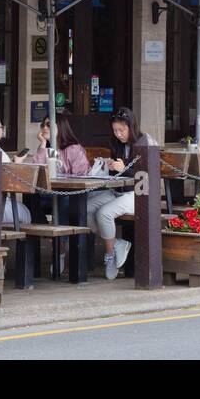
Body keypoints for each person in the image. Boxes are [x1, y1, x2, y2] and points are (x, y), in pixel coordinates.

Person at [85, 107, 139, 279]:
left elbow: (144, 176)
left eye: (121, 130)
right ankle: (116, 244)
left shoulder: (143, 144)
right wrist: (111, 167)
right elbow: (118, 174)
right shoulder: (117, 144)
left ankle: (109, 254)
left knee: (103, 214)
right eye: (115, 130)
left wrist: (124, 169)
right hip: (117, 191)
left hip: (137, 195)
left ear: (131, 127)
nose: (118, 134)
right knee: (83, 209)